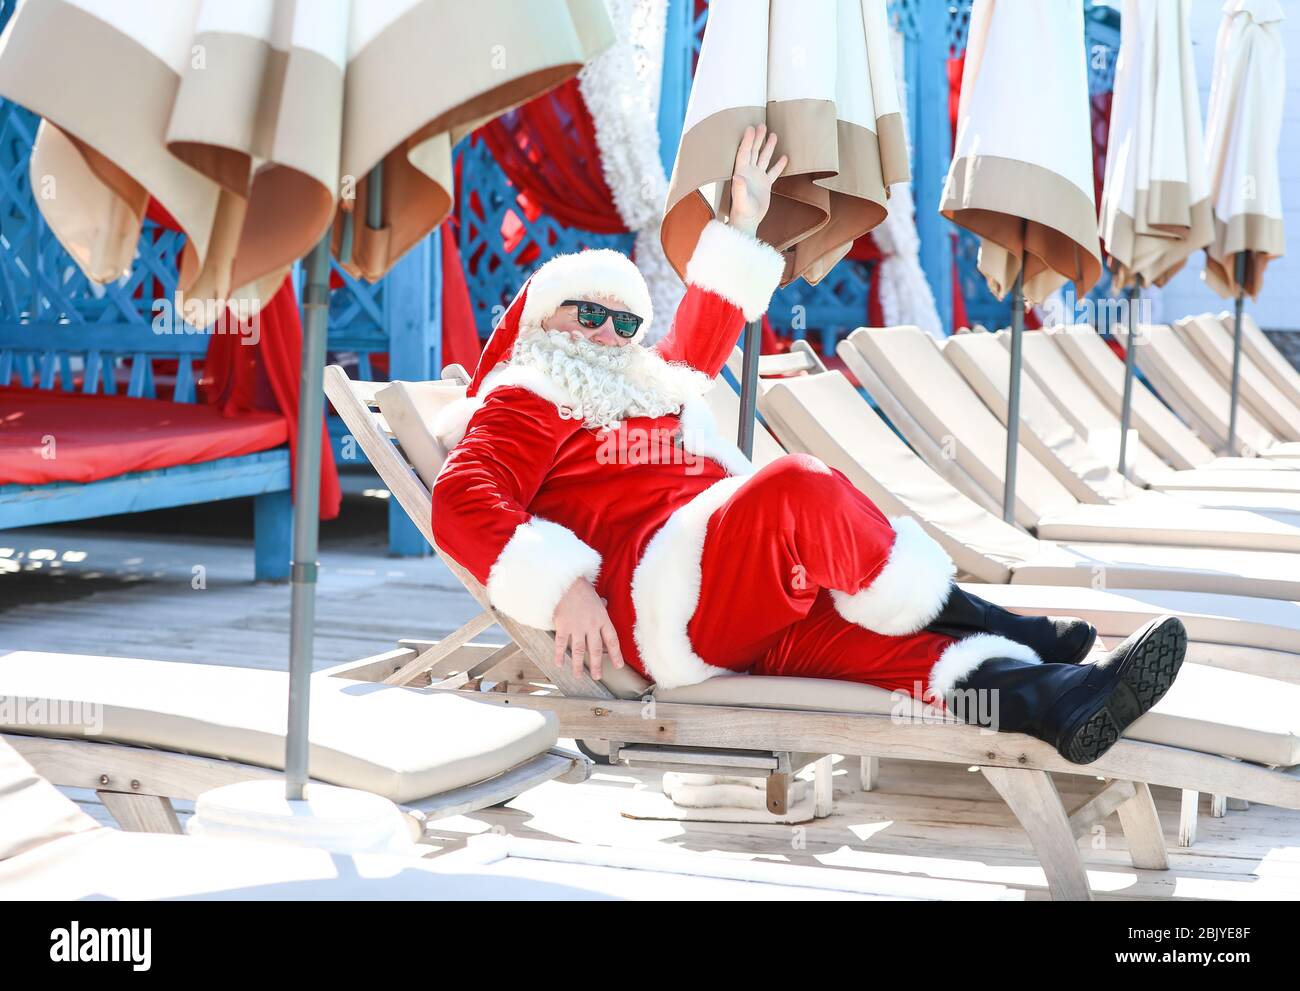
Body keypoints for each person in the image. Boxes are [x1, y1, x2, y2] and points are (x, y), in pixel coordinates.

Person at [431, 126, 1186, 765]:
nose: (606, 333)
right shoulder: (527, 395)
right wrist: (563, 587)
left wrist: (743, 220)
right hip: (661, 597)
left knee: (870, 646)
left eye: (625, 322)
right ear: (540, 319)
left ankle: (1056, 700)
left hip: (731, 597)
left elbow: (698, 336)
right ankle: (991, 619)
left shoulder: (640, 386)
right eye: (587, 313)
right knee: (798, 486)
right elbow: (461, 501)